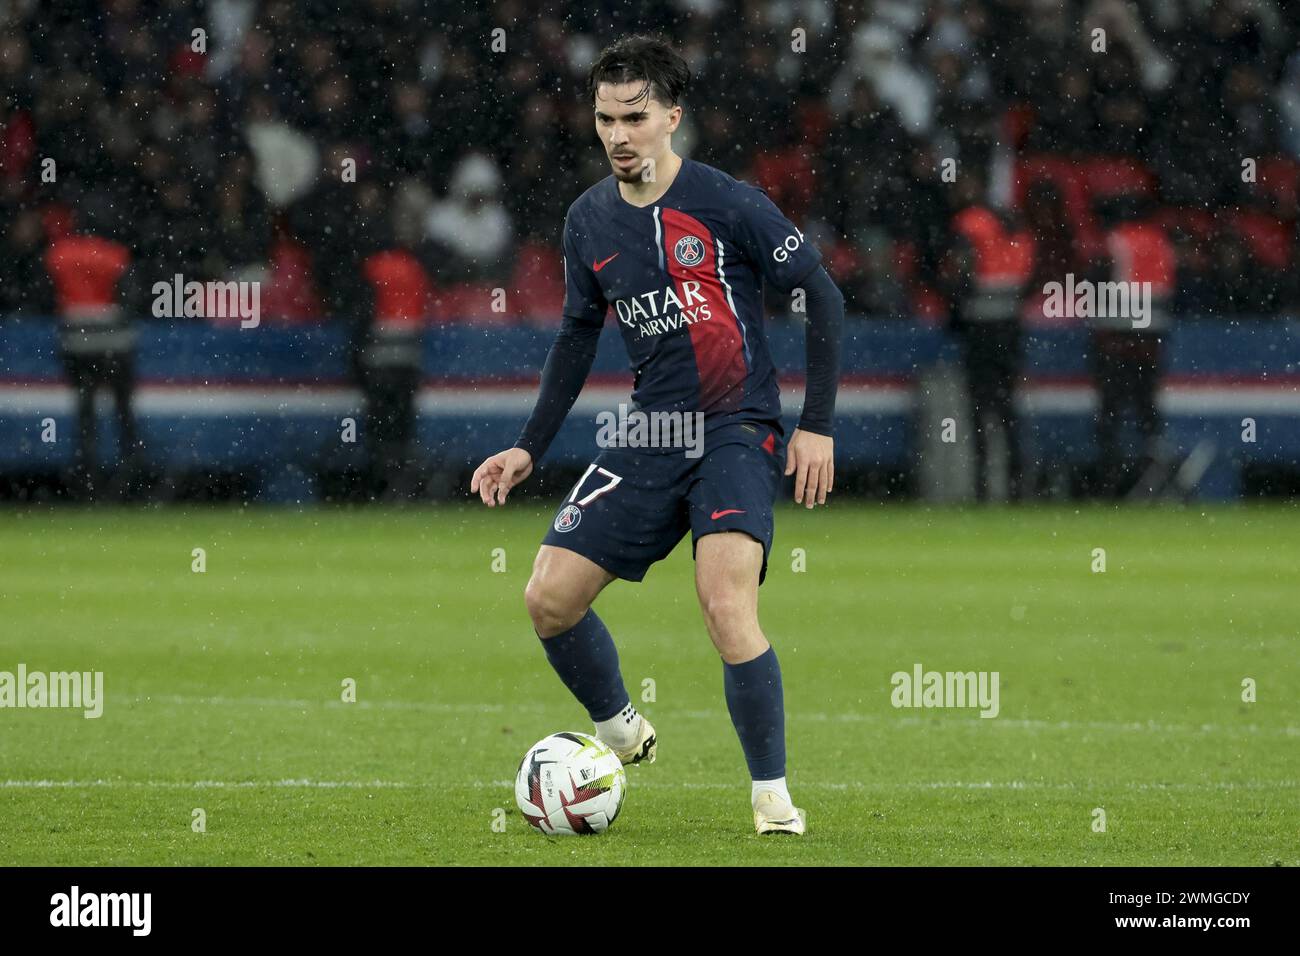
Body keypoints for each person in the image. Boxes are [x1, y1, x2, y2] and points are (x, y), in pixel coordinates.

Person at [470, 35, 843, 836]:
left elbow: (824, 293)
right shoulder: (588, 220)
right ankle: (617, 727)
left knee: (724, 602)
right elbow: (575, 338)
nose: (617, 135)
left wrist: (815, 426)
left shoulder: (728, 203)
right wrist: (530, 446)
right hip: (651, 432)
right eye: (605, 118)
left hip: (736, 430)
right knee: (547, 599)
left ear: (672, 116)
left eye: (634, 117)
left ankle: (772, 797)